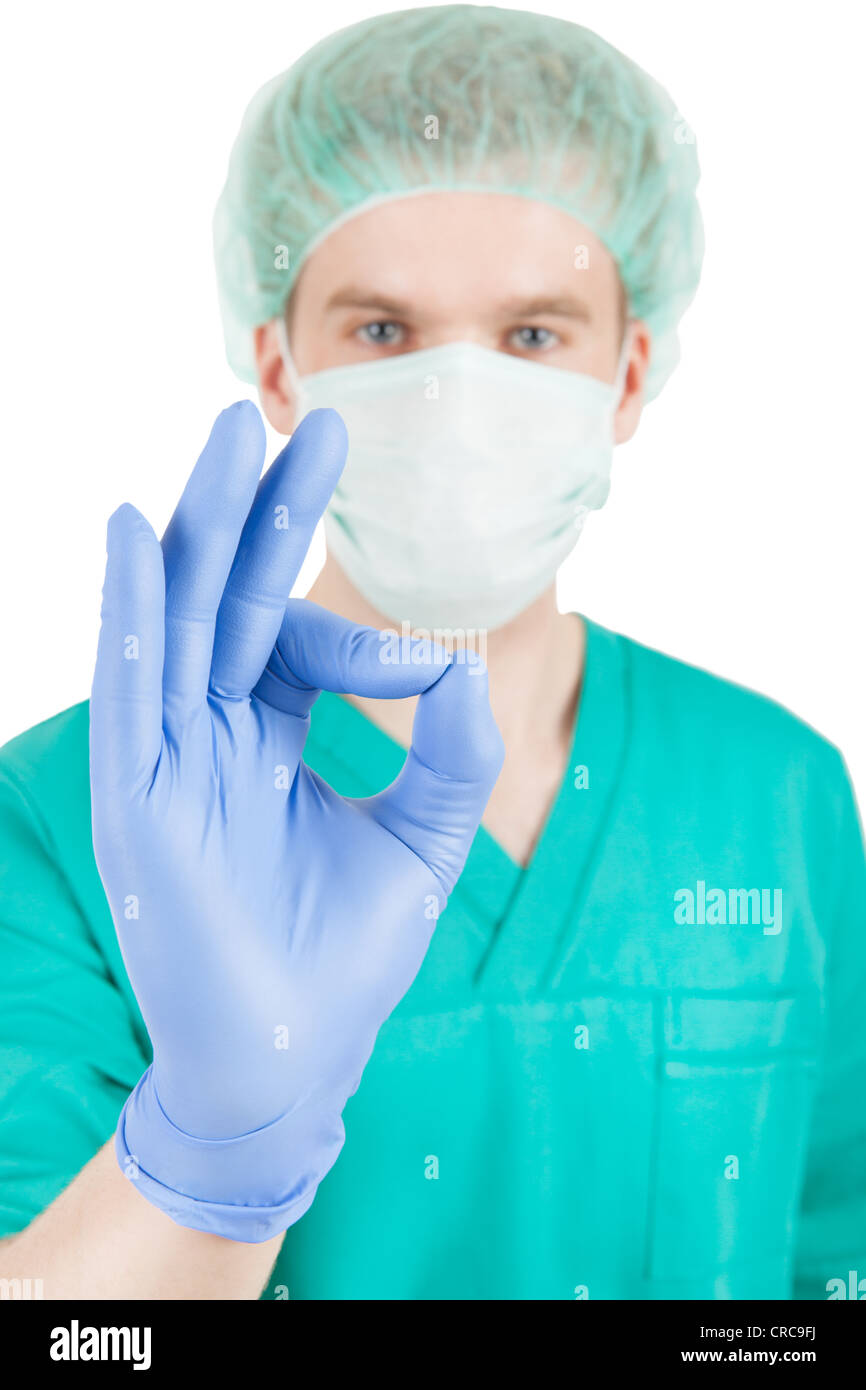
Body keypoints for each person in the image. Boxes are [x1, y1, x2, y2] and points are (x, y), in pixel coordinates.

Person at [0, 5, 863, 1301]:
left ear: (625, 376)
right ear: (279, 368)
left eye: (530, 335)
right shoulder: (84, 813)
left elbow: (822, 1262)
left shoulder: (772, 789)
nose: (460, 403)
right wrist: (209, 1149)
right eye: (385, 332)